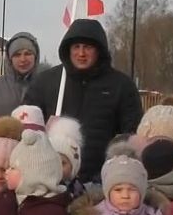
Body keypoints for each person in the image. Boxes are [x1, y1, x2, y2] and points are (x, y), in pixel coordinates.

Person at [20, 19, 143, 180]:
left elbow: (131, 134)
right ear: (68, 49)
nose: (81, 53)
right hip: (52, 178)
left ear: (99, 50)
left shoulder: (121, 85)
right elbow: (27, 127)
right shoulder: (47, 82)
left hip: (101, 180)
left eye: (88, 47)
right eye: (76, 47)